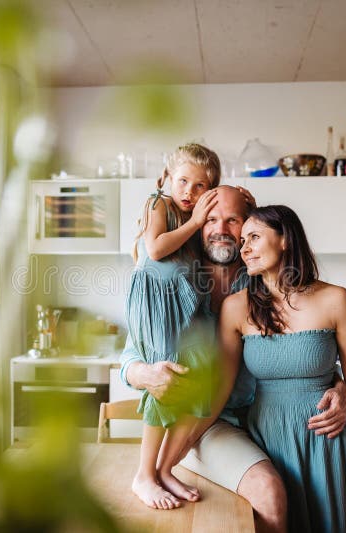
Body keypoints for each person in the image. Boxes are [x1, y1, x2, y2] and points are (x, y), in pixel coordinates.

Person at [122, 186, 346, 532]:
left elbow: (299, 347)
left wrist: (339, 385)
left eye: (233, 220)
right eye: (211, 219)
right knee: (269, 491)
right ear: (197, 225)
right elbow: (131, 357)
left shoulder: (261, 273)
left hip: (266, 419)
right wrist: (145, 373)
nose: (221, 229)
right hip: (205, 423)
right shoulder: (173, 278)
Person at [217, 205, 346, 532]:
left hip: (324, 440)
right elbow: (218, 387)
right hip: (263, 441)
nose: (243, 248)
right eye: (242, 240)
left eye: (254, 237)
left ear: (285, 239)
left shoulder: (336, 299)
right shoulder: (235, 308)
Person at [125, 143, 221, 510]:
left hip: (181, 307)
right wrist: (196, 220)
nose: (189, 192)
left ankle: (164, 470)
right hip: (154, 301)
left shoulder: (194, 220)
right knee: (164, 377)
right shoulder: (159, 204)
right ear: (167, 179)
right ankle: (144, 475)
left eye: (200, 187)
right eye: (182, 181)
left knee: (194, 379)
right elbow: (155, 248)